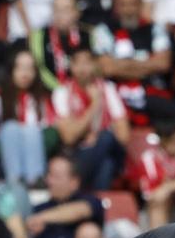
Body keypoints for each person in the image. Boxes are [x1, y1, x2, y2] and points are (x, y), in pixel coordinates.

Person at [95, 0, 175, 126]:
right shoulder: (103, 30)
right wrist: (147, 64)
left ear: (140, 5)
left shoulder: (155, 29)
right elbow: (107, 68)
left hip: (153, 94)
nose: (128, 10)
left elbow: (163, 64)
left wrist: (123, 65)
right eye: (123, 4)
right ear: (116, 6)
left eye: (132, 4)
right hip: (116, 96)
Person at [53, 47, 130, 191]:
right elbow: (69, 137)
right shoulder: (62, 93)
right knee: (106, 163)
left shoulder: (108, 89)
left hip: (109, 148)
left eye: (87, 63)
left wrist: (96, 138)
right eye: (78, 63)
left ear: (95, 65)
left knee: (106, 138)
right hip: (78, 153)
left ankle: (80, 193)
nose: (83, 68)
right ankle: (96, 203)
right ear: (71, 66)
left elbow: (124, 136)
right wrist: (95, 104)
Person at [0, 47, 56, 185]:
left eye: (30, 68)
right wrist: (2, 147)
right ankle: (15, 183)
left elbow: (51, 132)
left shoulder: (42, 98)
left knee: (31, 131)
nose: (25, 74)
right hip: (3, 149)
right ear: (11, 70)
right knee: (10, 128)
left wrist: (27, 145)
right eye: (20, 68)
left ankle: (35, 183)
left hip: (35, 148)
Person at [28, 154, 106, 238]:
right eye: (49, 175)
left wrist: (41, 218)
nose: (49, 181)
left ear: (74, 182)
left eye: (56, 176)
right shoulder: (37, 209)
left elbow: (80, 211)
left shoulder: (91, 201)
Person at [30, 0, 95, 89]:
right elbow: (39, 69)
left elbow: (95, 67)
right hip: (50, 91)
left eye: (66, 9)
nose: (61, 14)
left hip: (83, 90)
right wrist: (61, 91)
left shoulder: (89, 34)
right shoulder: (38, 36)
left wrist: (76, 91)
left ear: (76, 12)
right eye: (57, 9)